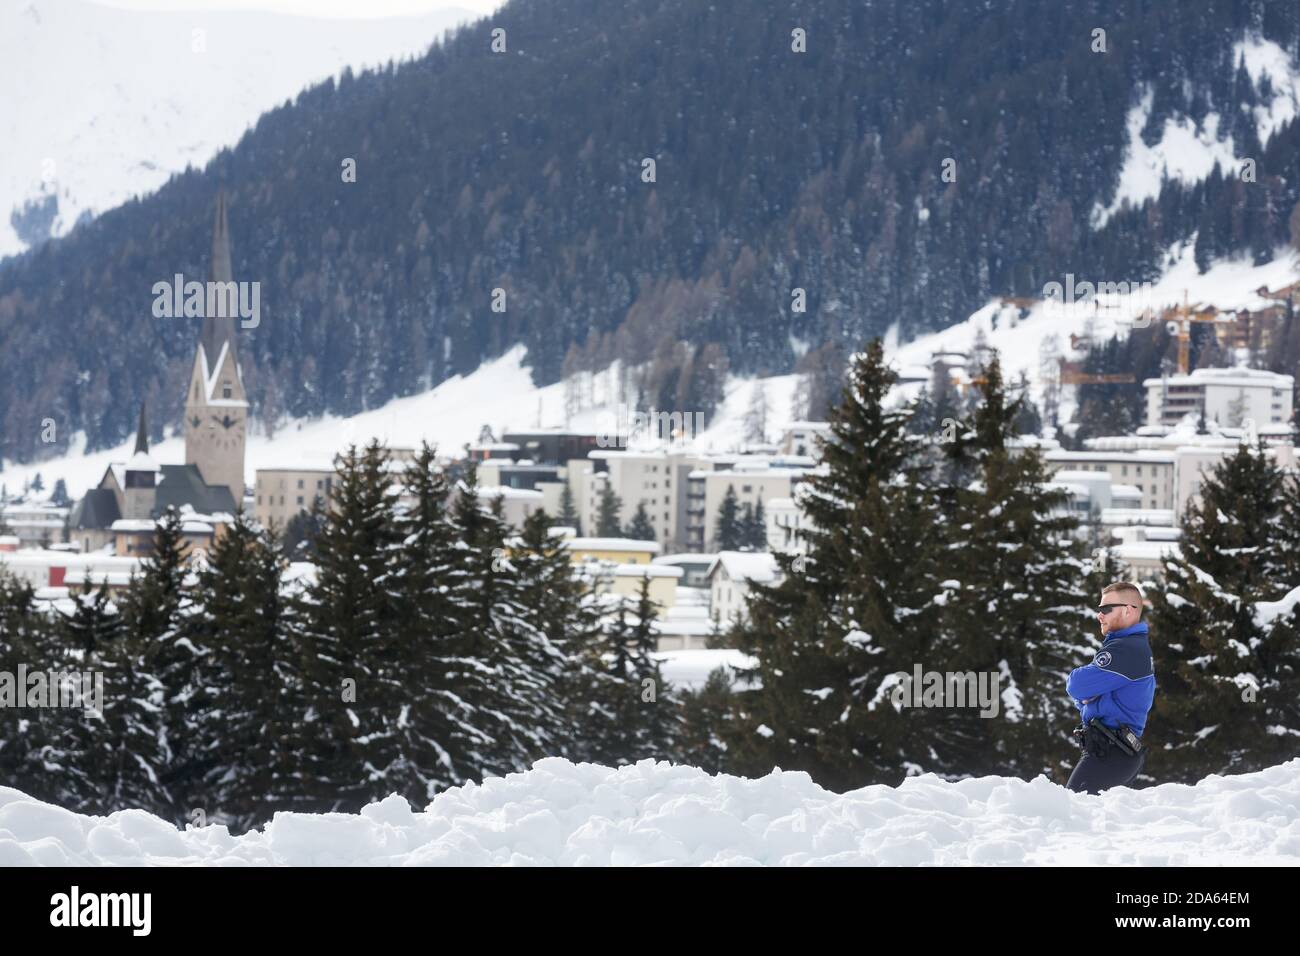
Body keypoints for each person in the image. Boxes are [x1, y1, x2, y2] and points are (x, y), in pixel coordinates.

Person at [1065, 582, 1155, 794]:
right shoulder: (1129, 645)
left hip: (1110, 754)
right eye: (1099, 609)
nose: (1099, 615)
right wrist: (1087, 696)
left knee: (1071, 816)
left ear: (1127, 610)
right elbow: (1082, 697)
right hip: (1113, 753)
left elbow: (1076, 685)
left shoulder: (1126, 650)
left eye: (1106, 609)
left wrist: (1088, 694)